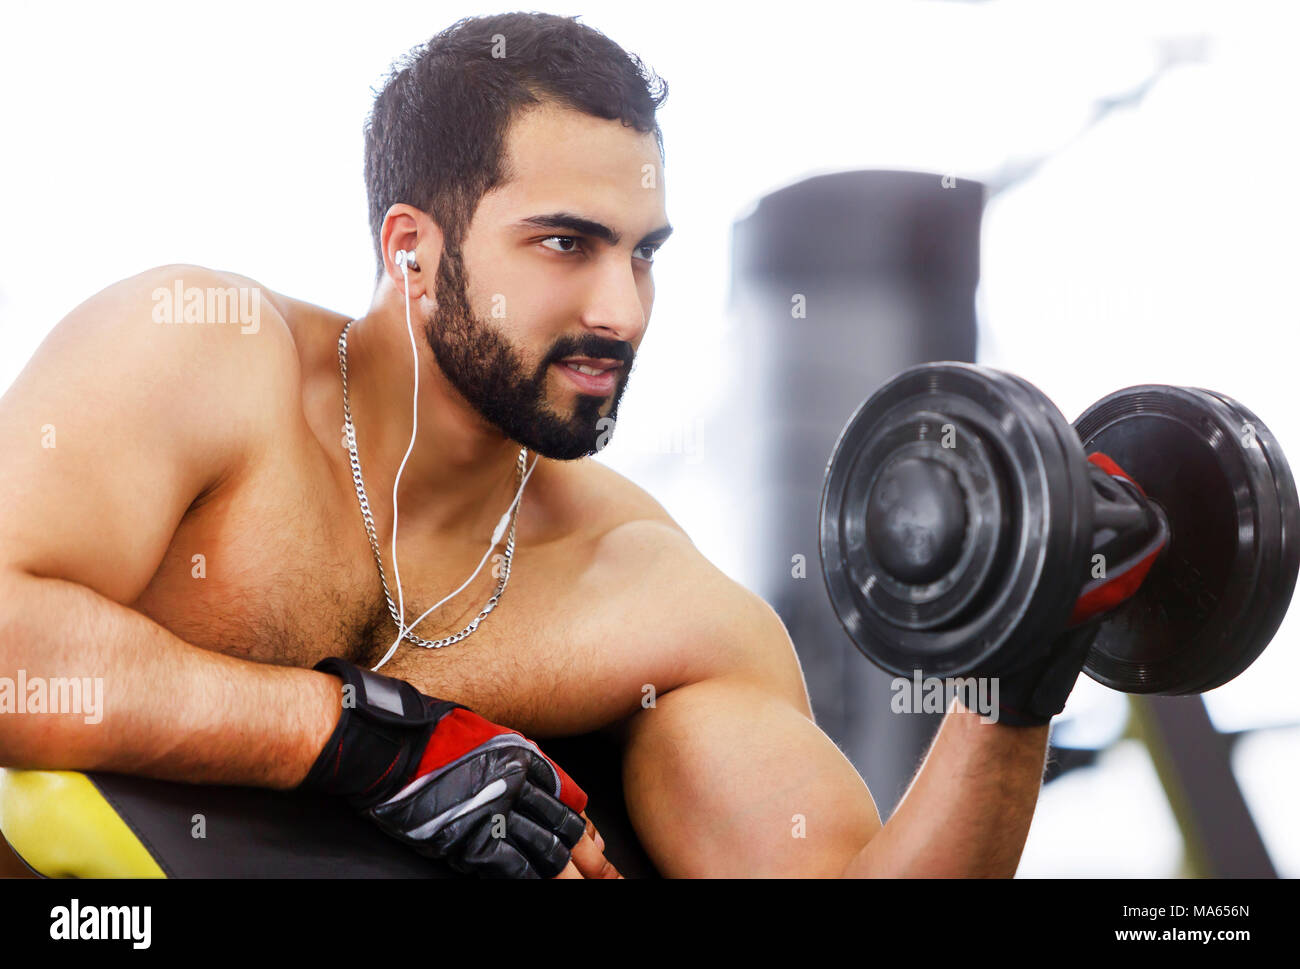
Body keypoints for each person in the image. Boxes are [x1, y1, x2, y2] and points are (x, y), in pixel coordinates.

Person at [0, 12, 1054, 878]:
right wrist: (363, 743)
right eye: (566, 244)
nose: (622, 309)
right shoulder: (205, 354)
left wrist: (1018, 676)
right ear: (411, 249)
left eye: (643, 254)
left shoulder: (643, 594)